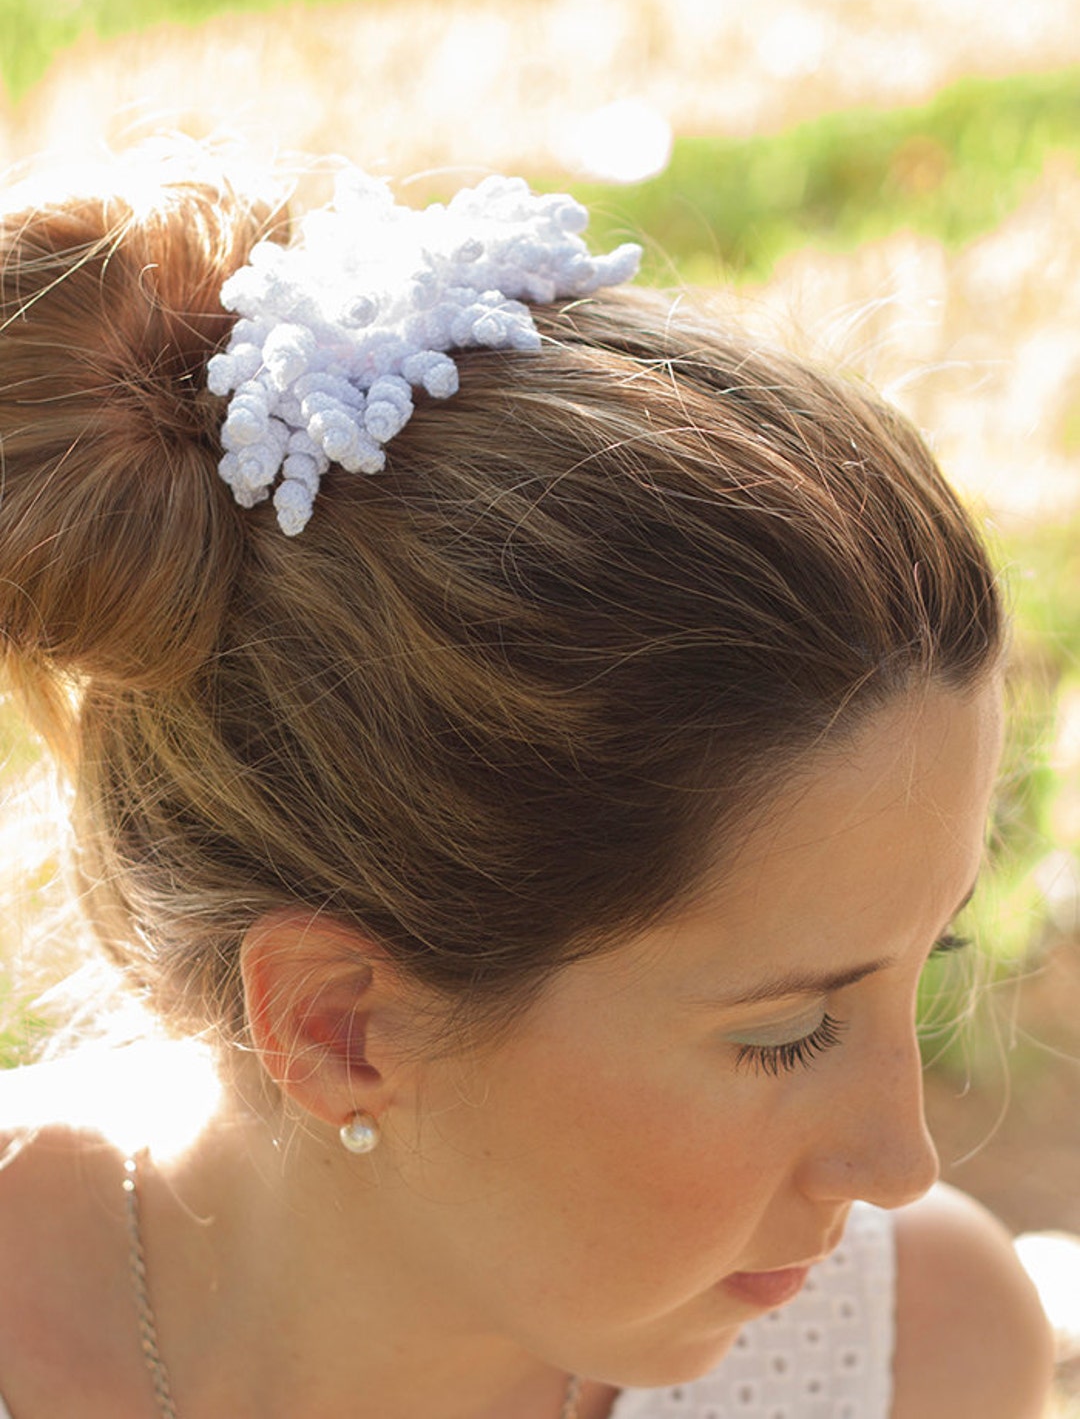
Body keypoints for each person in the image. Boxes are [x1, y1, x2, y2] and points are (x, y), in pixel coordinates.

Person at [0, 152, 1053, 1419]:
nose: (902, 1161)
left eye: (925, 961)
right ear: (341, 1027)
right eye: (786, 1034)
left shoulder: (915, 1356)